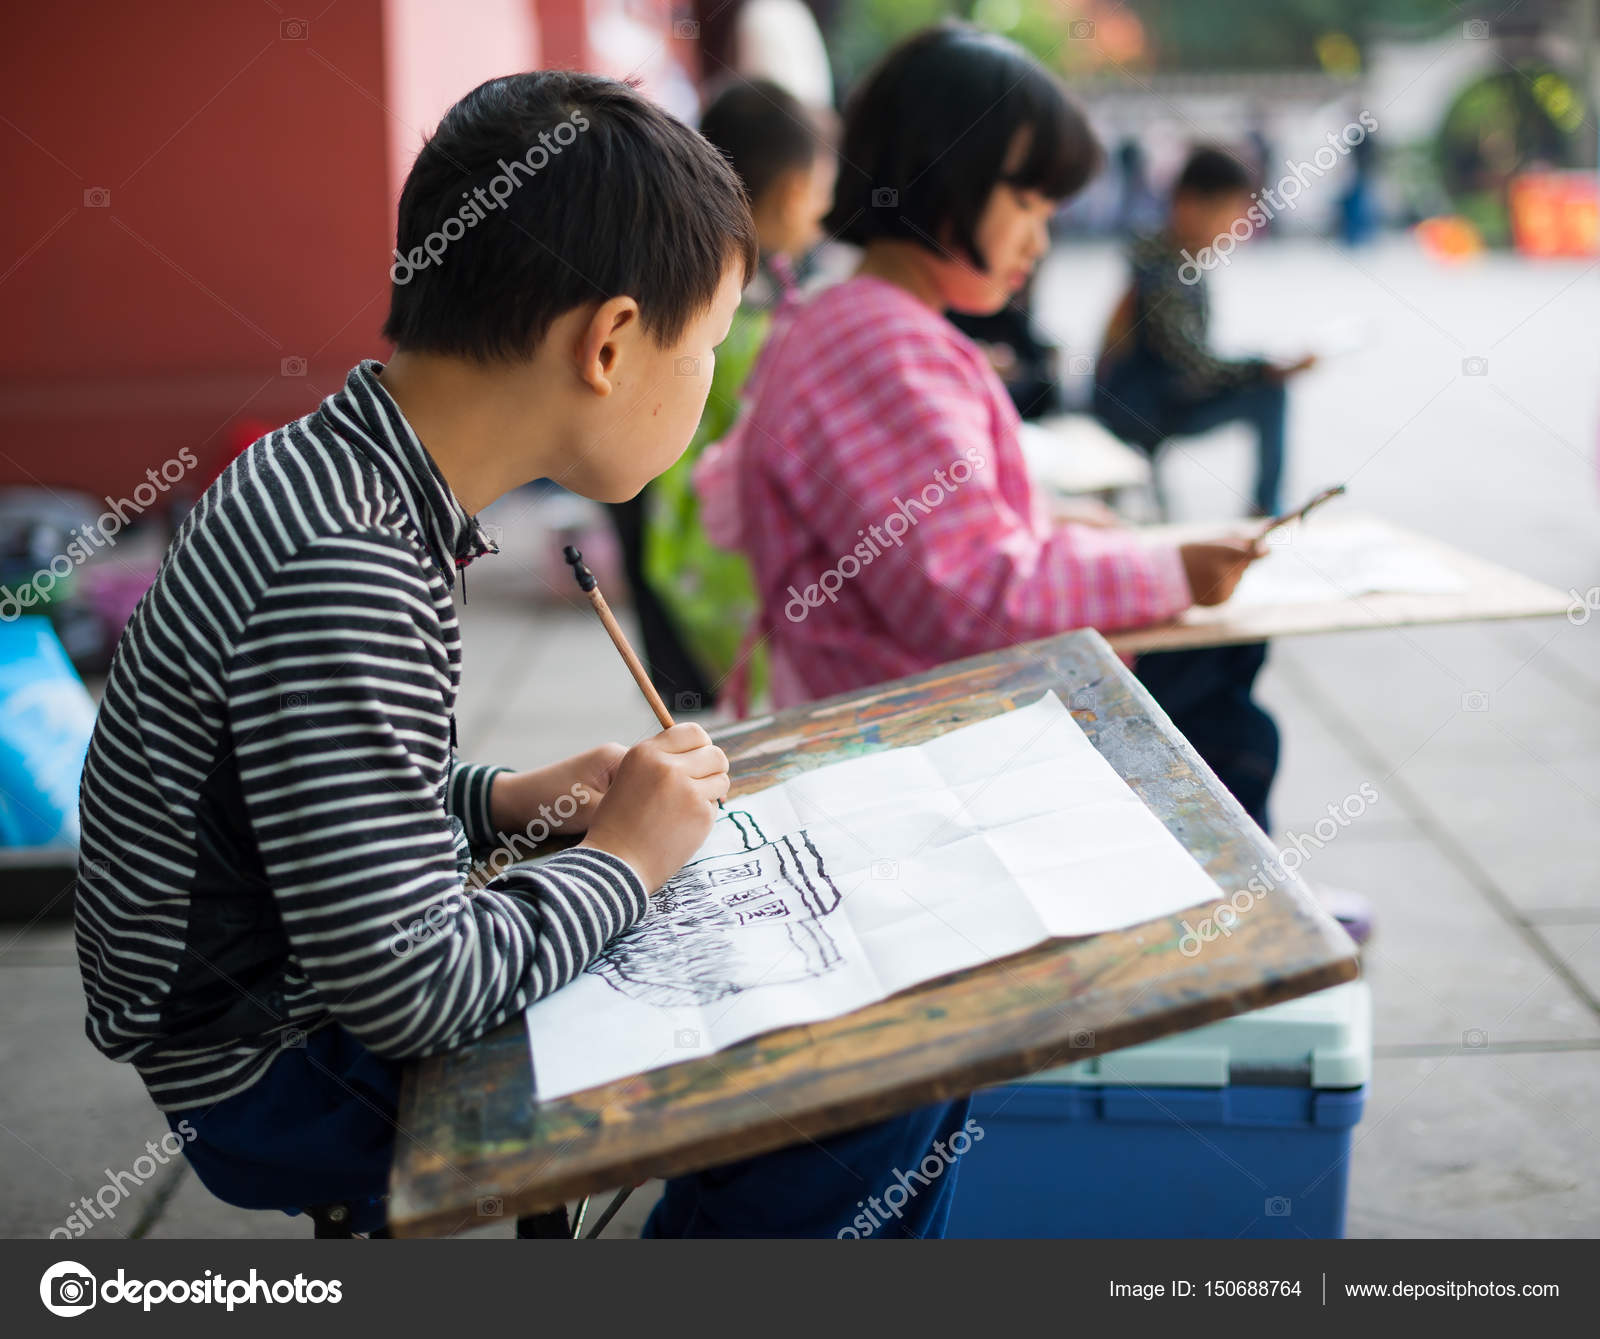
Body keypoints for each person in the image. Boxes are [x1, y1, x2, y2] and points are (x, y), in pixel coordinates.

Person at [73, 70, 965, 1240]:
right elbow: (413, 988)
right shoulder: (348, 554)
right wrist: (629, 858)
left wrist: (499, 801)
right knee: (872, 1067)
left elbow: (287, 795)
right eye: (703, 350)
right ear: (610, 344)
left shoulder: (338, 470)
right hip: (276, 1066)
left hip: (292, 992)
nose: (706, 382)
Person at [694, 24, 1280, 831]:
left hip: (902, 691)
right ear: (944, 178)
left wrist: (1044, 524)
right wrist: (1166, 570)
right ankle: (1231, 928)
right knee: (1222, 680)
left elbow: (935, 546)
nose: (1042, 238)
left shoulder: (857, 318)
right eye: (1028, 201)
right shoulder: (882, 347)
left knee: (1218, 666)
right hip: (913, 726)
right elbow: (973, 599)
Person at [634, 77, 835, 709]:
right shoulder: (761, 321)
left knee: (692, 706)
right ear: (797, 191)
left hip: (669, 533)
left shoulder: (688, 284)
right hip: (726, 559)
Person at [1092, 145, 1315, 517]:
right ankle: (1266, 513)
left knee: (1267, 390)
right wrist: (1265, 367)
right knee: (1268, 394)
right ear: (1190, 204)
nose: (1238, 224)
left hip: (1152, 397)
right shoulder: (1164, 272)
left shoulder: (1177, 259)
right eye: (1232, 211)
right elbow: (1192, 363)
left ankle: (1265, 510)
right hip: (1140, 407)